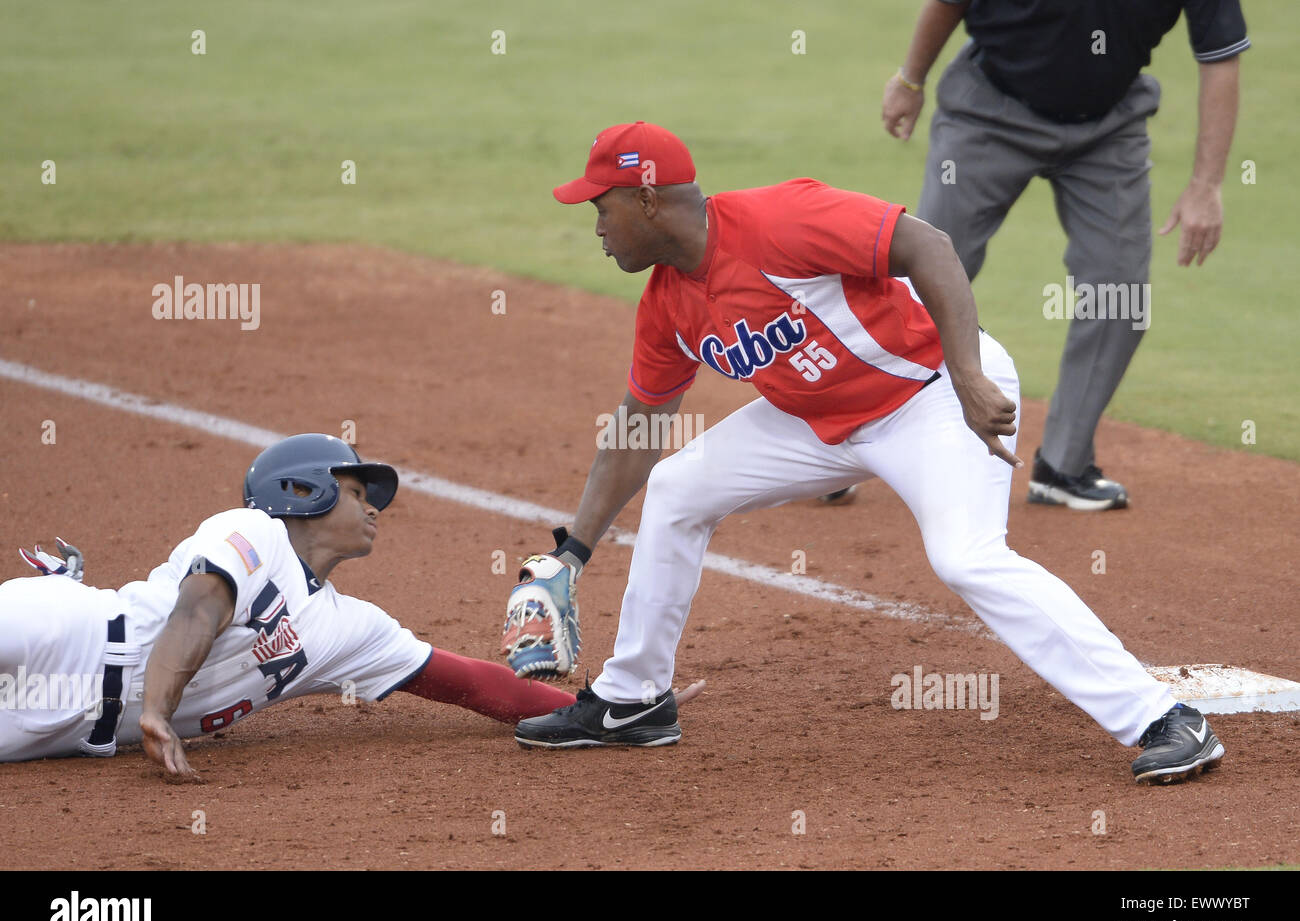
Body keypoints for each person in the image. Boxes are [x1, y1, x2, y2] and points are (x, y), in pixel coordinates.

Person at [505, 121, 1223, 784]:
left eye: (603, 207)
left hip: (931, 393)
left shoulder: (779, 219)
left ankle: (1165, 718)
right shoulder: (666, 303)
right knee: (677, 487)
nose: (596, 227)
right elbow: (639, 425)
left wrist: (968, 372)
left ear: (650, 198)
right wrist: (573, 551)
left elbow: (929, 246)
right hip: (817, 421)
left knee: (965, 556)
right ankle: (633, 700)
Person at [0, 432, 701, 779]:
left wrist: (611, 699)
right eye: (360, 490)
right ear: (304, 491)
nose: (374, 509)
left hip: (67, 730)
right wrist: (155, 710)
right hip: (62, 634)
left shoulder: (344, 627)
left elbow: (465, 682)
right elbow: (199, 610)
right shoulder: (252, 532)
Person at [881, 0, 1249, 510]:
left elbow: (1220, 56)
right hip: (988, 109)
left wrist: (1207, 184)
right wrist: (910, 80)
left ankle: (1063, 465)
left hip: (1108, 127)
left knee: (1118, 297)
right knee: (924, 273)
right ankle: (847, 432)